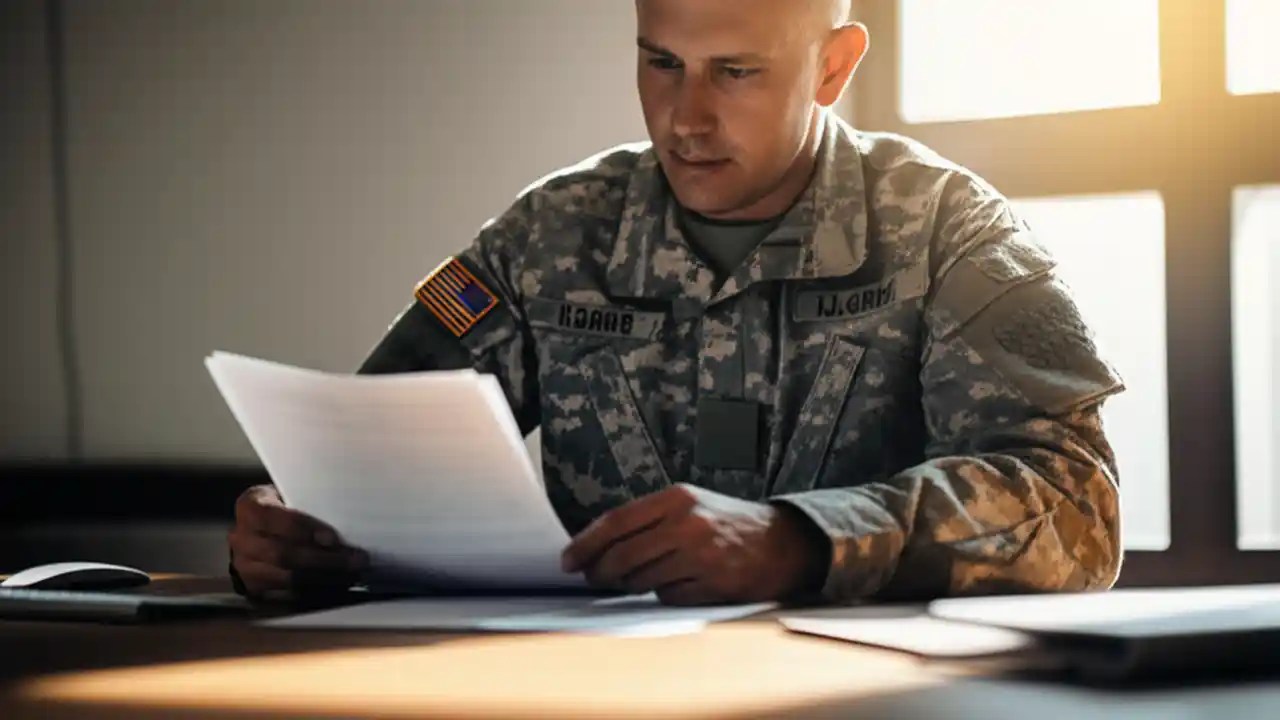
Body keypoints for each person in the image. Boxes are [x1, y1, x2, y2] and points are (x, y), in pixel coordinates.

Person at [227, 0, 1125, 605]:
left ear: (833, 66)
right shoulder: (553, 233)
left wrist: (803, 541)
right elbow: (367, 450)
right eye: (662, 63)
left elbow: (1078, 507)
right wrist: (291, 527)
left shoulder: (947, 230)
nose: (684, 117)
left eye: (734, 72)